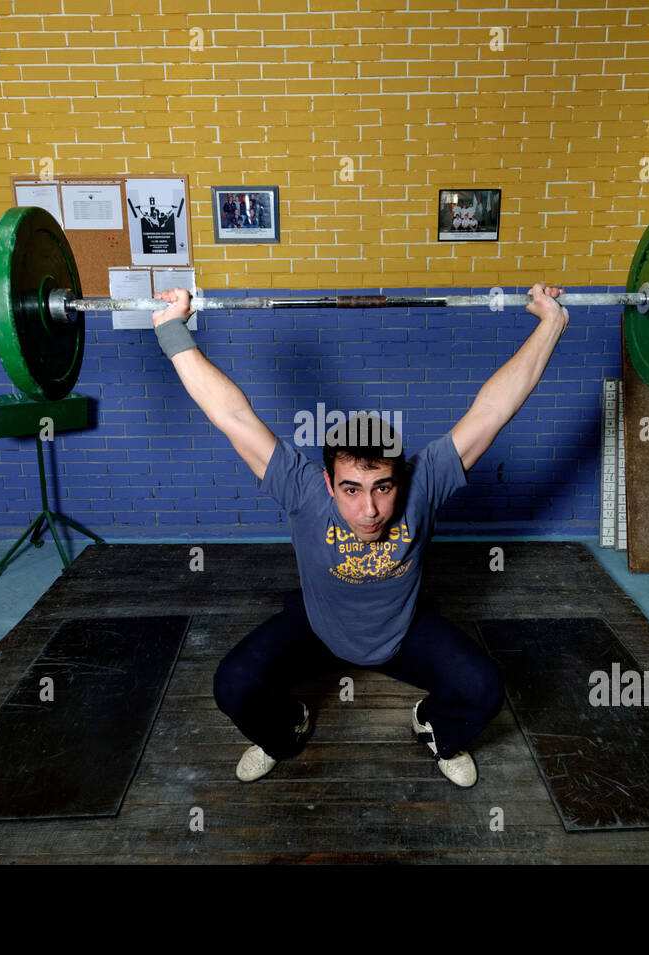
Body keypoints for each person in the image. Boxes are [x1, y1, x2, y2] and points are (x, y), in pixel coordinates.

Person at [149, 284, 569, 786]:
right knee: (232, 684)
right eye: (350, 489)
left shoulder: (426, 481)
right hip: (319, 629)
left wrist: (551, 323)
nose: (368, 509)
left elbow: (494, 410)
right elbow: (233, 416)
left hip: (402, 632)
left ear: (401, 479)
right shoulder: (303, 490)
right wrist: (171, 328)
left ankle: (433, 726)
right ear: (328, 483)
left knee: (484, 689)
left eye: (382, 488)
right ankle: (287, 727)